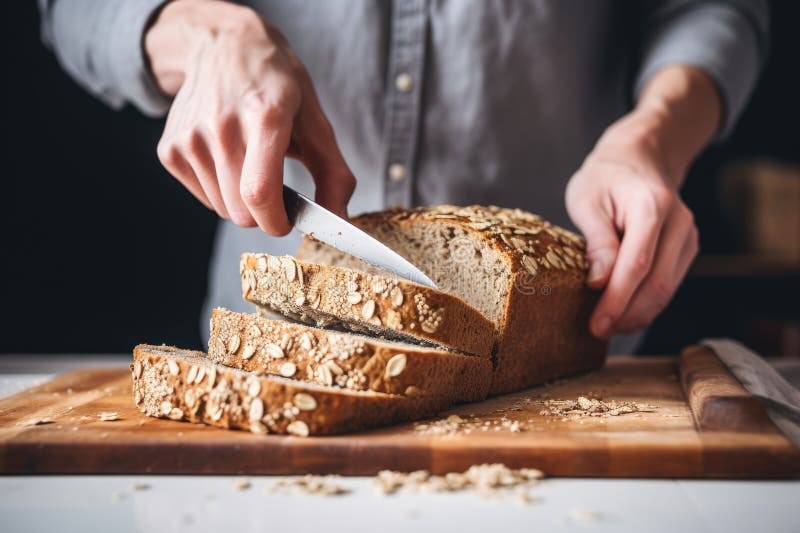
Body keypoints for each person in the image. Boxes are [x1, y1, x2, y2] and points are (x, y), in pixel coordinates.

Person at [38, 0, 768, 352]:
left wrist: (652, 135)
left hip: (564, 343)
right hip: (273, 337)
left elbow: (714, 11)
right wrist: (204, 34)